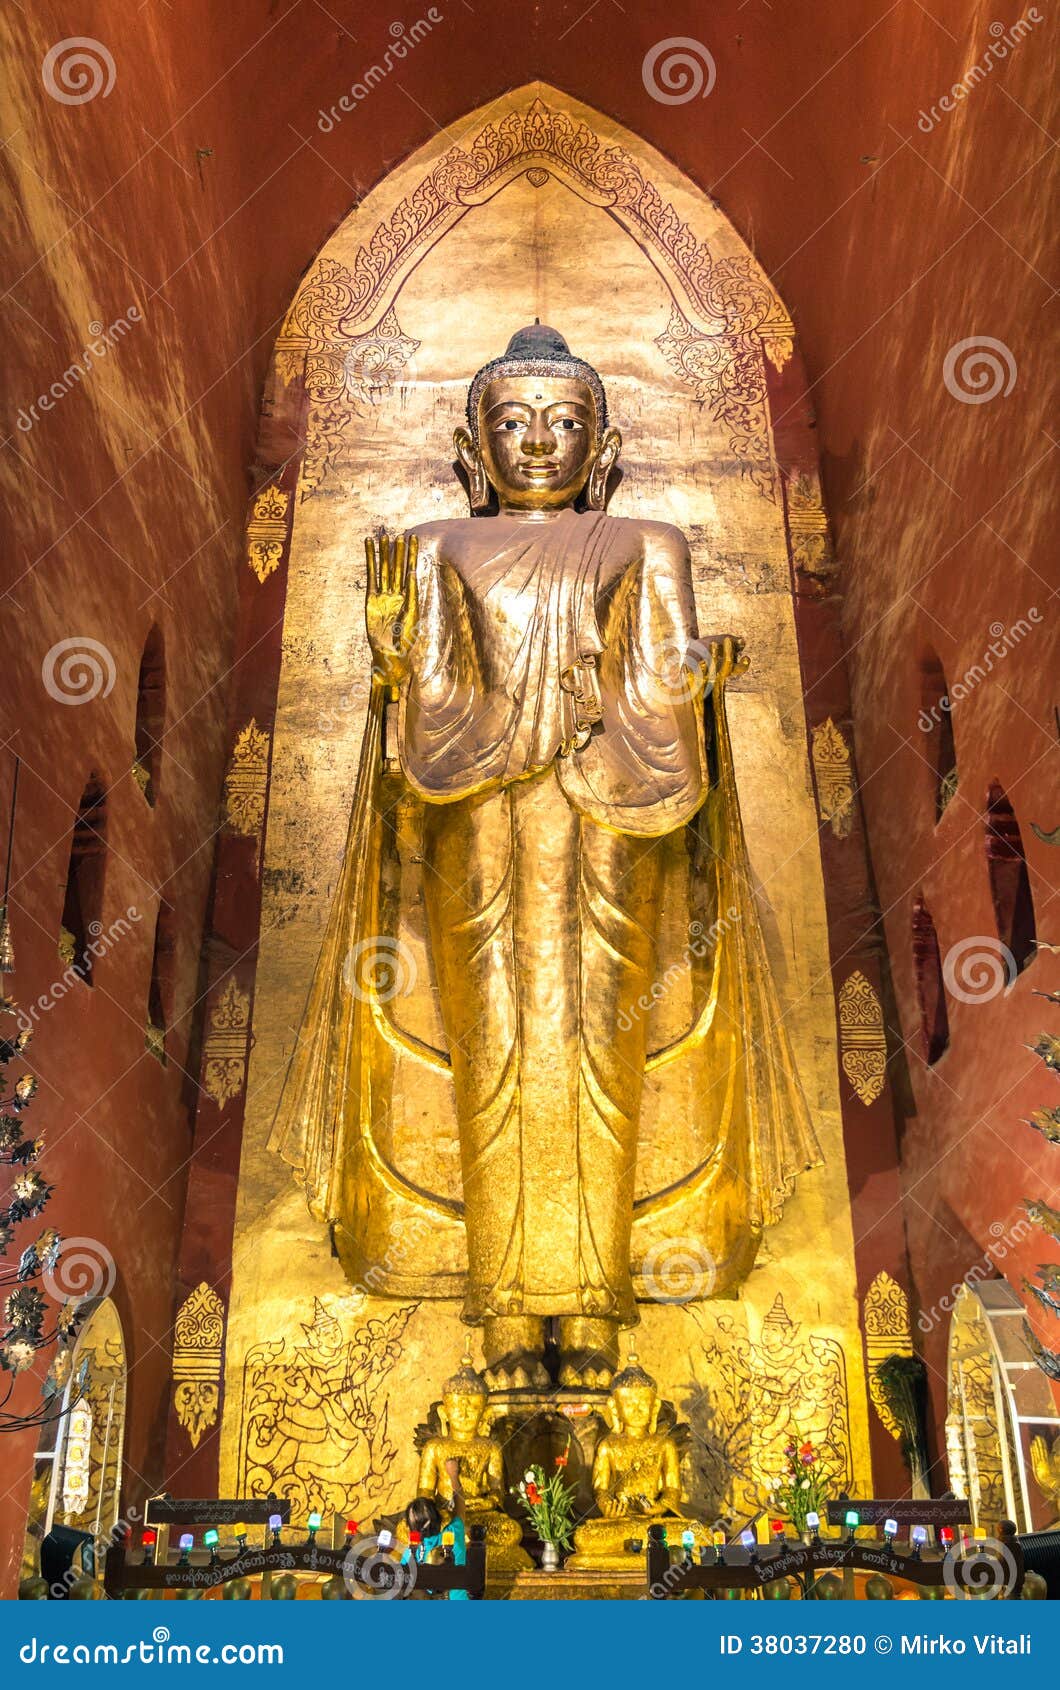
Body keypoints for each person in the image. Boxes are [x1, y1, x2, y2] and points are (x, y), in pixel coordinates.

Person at [401, 1494, 469, 1600]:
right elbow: (460, 1507)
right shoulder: (454, 1532)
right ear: (438, 1518)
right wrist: (455, 1483)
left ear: (412, 1529)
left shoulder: (410, 1554)